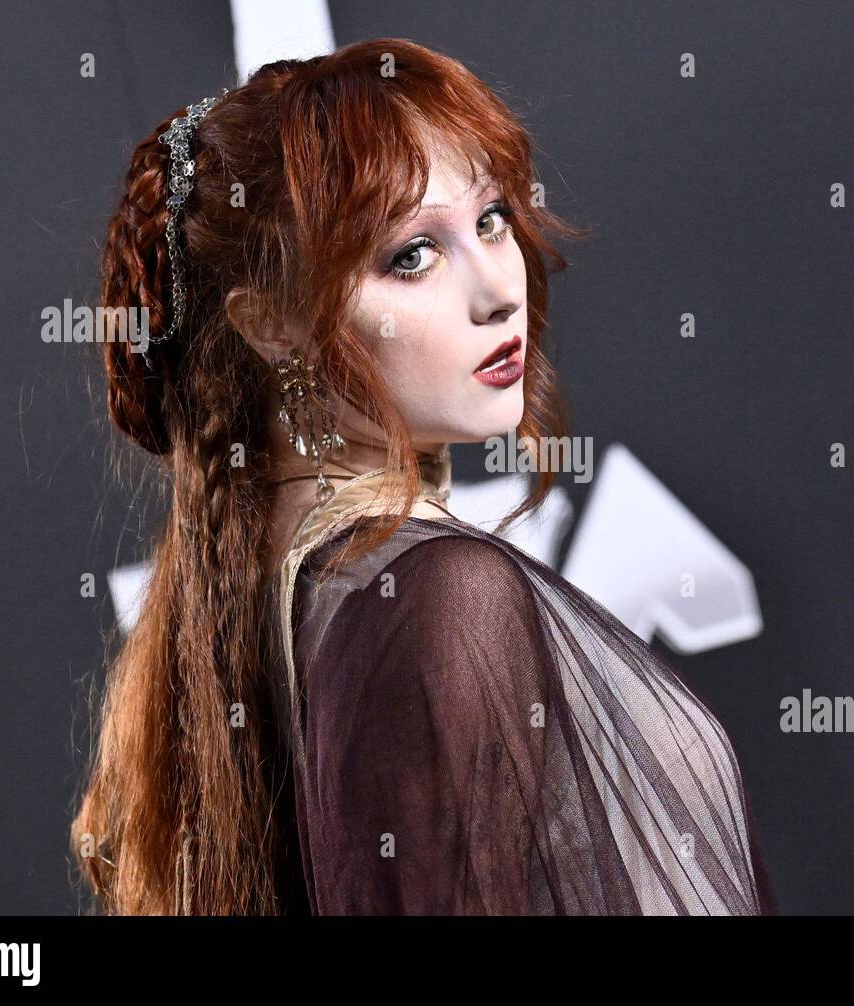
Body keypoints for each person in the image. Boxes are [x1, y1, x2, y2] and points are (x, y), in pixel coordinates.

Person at [72, 37, 777, 916]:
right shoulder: (440, 600)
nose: (497, 289)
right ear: (274, 326)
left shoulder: (278, 601)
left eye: (490, 220)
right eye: (411, 255)